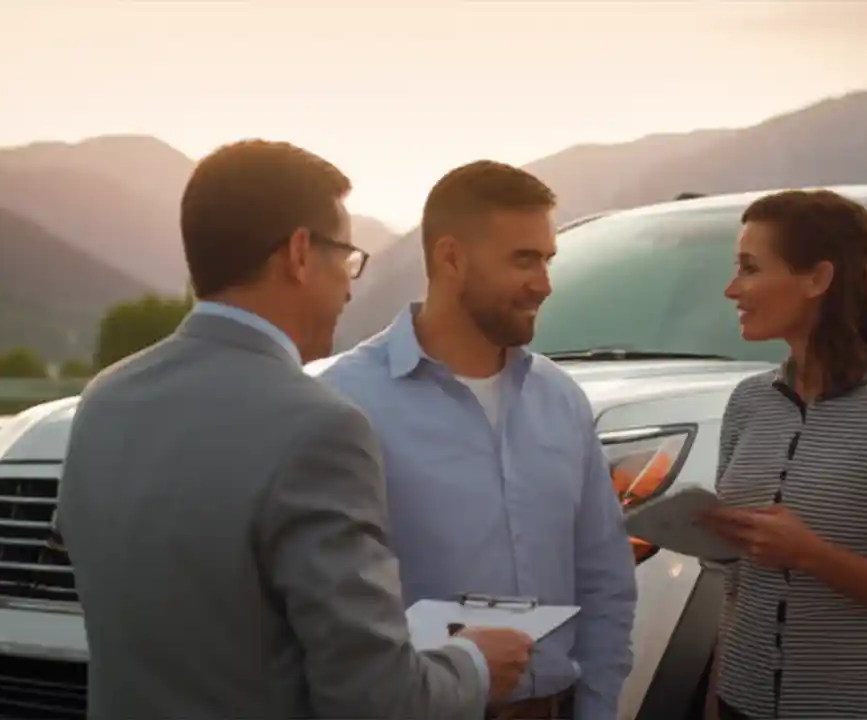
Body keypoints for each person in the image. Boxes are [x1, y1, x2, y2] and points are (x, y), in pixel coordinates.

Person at [56, 140, 534, 720]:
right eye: (348, 258)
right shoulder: (320, 428)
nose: (350, 286)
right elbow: (377, 701)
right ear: (301, 254)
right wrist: (475, 664)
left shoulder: (104, 400)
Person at [319, 160, 637, 720]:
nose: (544, 283)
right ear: (450, 258)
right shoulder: (345, 402)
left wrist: (595, 711)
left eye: (547, 259)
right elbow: (325, 605)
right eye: (523, 260)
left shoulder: (562, 401)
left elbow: (605, 581)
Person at [697, 189, 867, 720]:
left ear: (817, 279)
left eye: (750, 269)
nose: (732, 289)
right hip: (743, 701)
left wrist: (812, 555)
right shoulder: (748, 402)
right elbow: (735, 586)